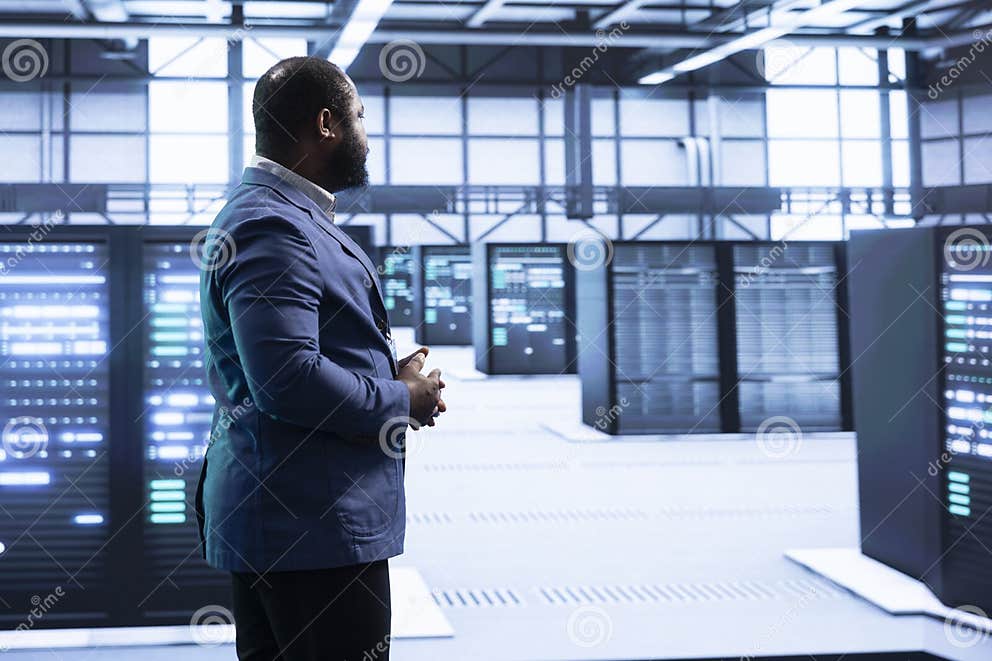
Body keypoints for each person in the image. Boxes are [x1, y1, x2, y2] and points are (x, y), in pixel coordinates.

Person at [194, 56, 445, 661]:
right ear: (327, 123)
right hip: (307, 530)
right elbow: (287, 378)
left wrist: (388, 373)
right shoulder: (271, 226)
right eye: (360, 117)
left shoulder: (287, 217)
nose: (366, 133)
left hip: (301, 525)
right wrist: (401, 398)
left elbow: (297, 357)